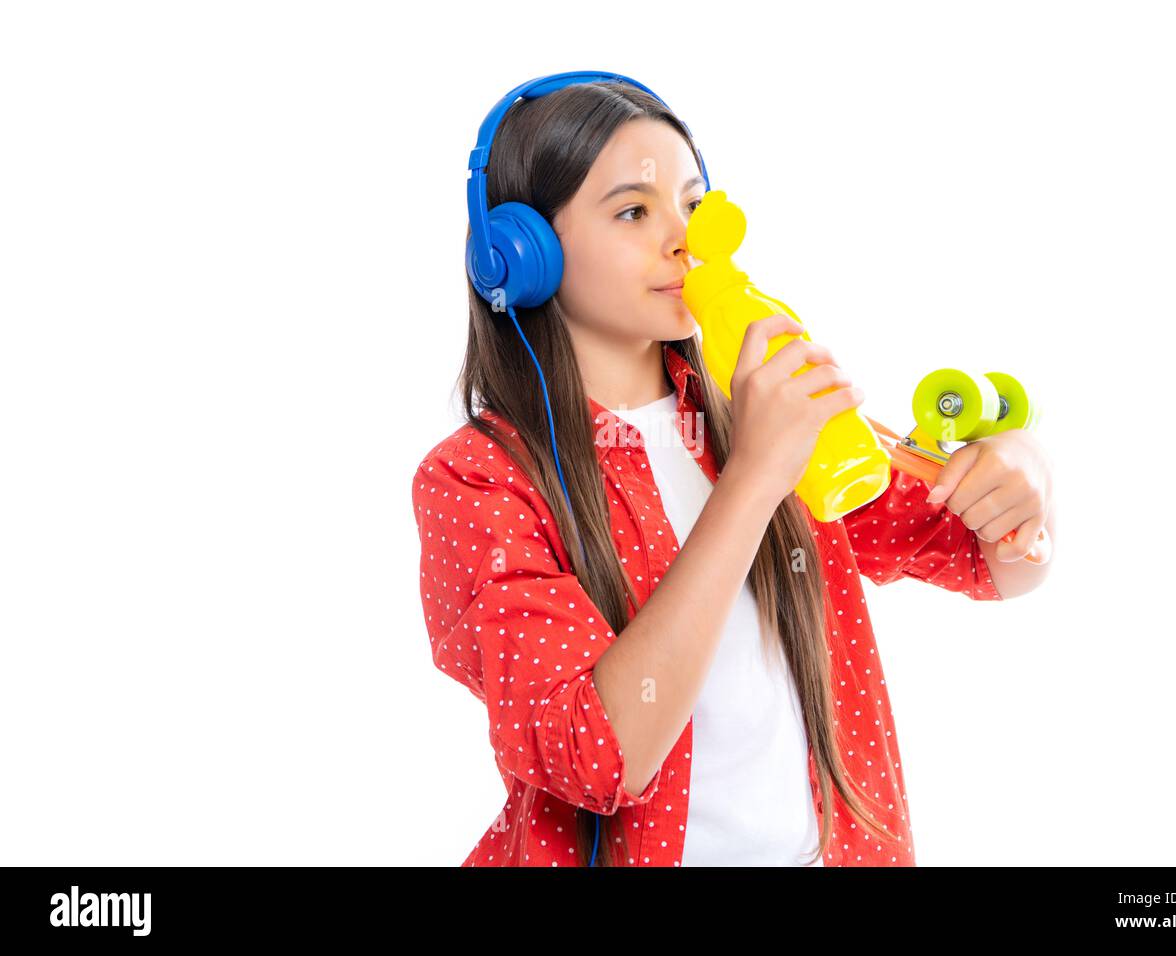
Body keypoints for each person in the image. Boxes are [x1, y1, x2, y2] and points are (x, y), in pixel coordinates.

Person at [411, 77, 1055, 866]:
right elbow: (597, 755)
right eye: (633, 211)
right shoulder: (477, 481)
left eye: (690, 203)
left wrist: (1024, 475)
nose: (683, 239)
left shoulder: (747, 406)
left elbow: (986, 559)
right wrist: (753, 479)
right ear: (526, 254)